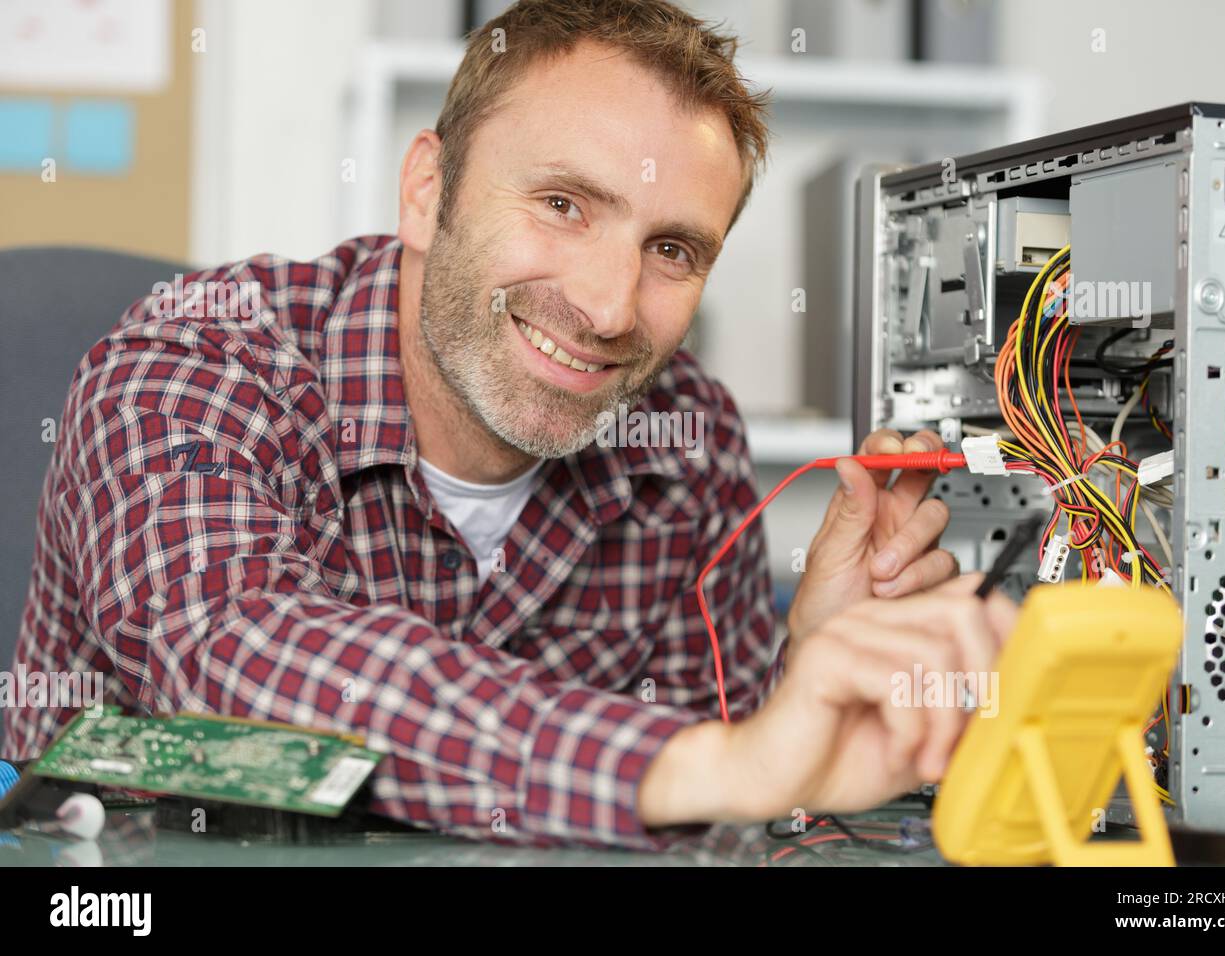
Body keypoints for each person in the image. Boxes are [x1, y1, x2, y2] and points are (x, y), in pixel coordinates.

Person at [6, 0, 1014, 849]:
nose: (611, 305)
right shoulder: (191, 363)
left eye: (669, 247)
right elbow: (230, 657)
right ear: (426, 189)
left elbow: (720, 792)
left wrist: (804, 674)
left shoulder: (684, 432)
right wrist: (718, 758)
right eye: (565, 204)